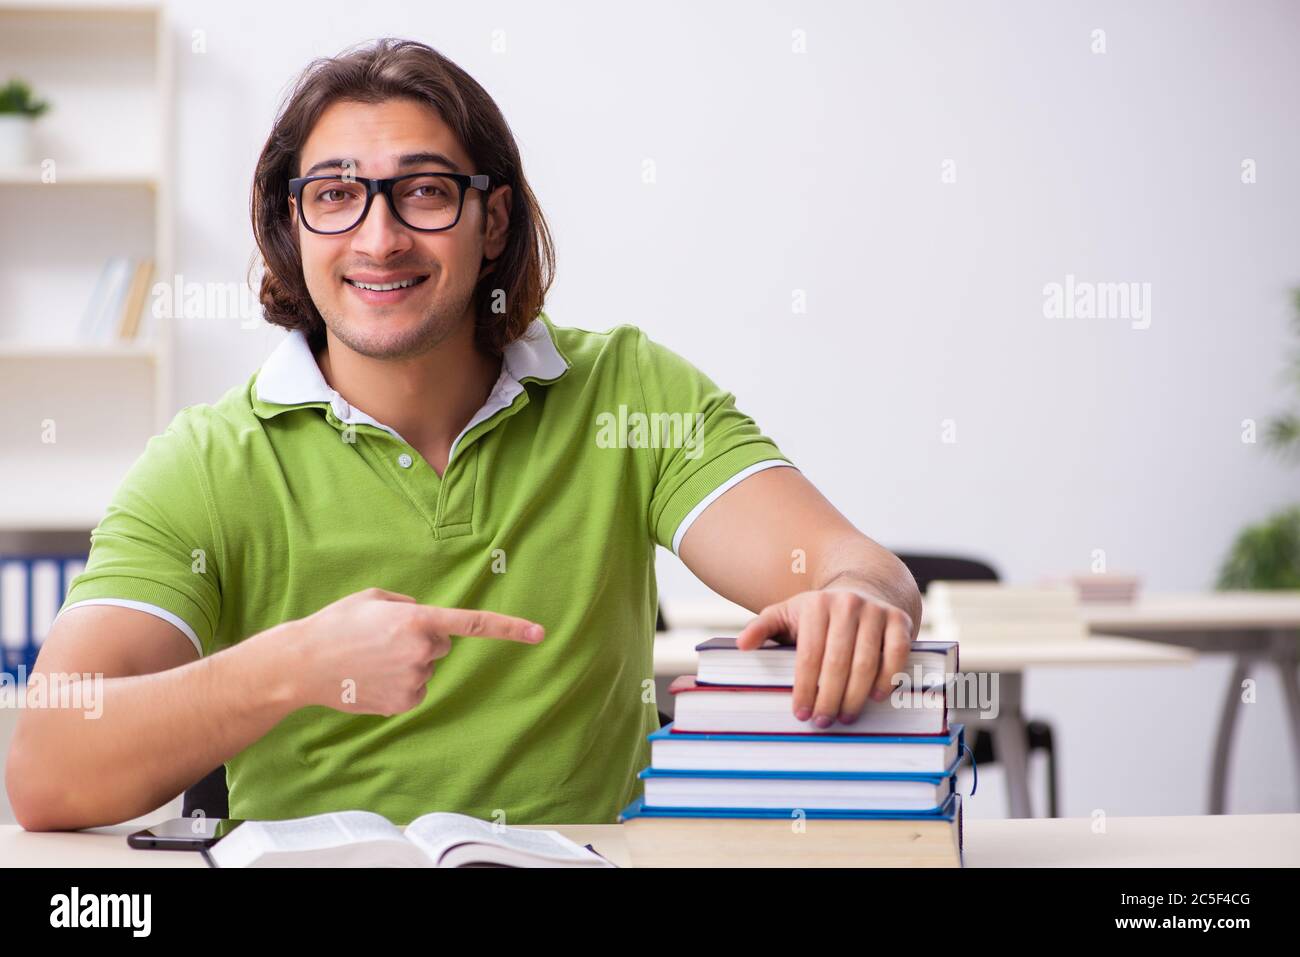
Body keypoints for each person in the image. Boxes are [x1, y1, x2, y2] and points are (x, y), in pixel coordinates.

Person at [7, 38, 920, 831]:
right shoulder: (208, 461)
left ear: (495, 221)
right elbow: (45, 766)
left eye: (427, 192)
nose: (380, 237)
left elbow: (853, 566)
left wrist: (857, 597)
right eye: (335, 195)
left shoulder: (626, 392)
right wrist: (290, 666)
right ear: (293, 225)